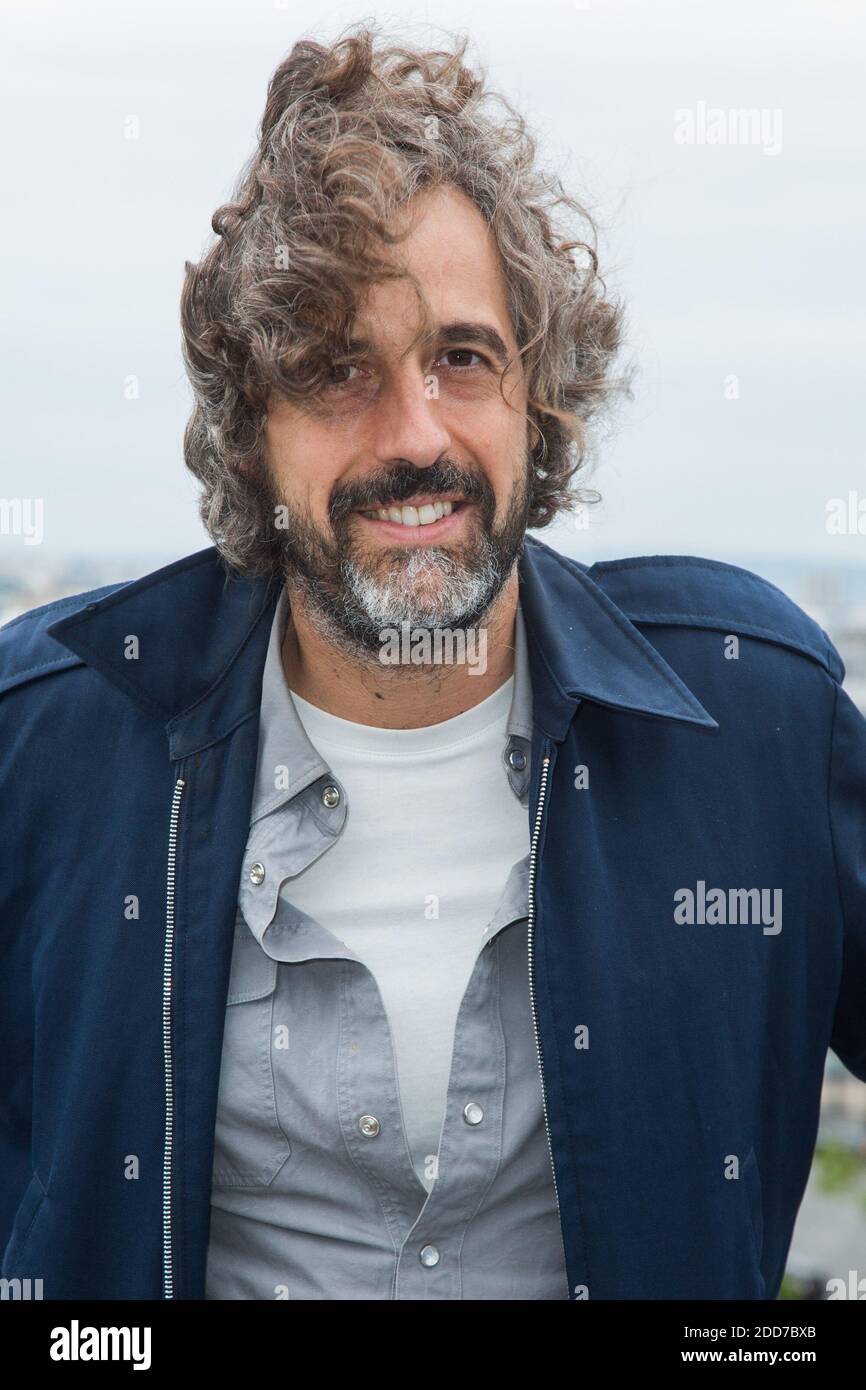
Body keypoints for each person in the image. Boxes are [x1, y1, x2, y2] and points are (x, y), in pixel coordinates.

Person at [2, 22, 865, 1302]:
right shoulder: (46, 744)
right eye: (336, 370)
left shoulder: (749, 720)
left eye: (462, 358)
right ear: (251, 428)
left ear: (536, 394)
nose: (416, 435)